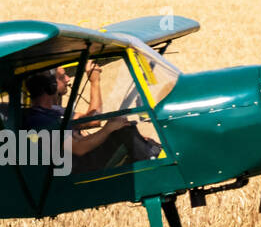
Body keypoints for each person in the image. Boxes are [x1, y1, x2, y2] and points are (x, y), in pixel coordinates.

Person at [23, 63, 161, 173]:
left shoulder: (55, 111)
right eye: (62, 77)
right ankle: (158, 167)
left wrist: (94, 81)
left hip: (88, 158)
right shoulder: (39, 121)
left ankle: (156, 155)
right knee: (125, 133)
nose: (68, 79)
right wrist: (108, 129)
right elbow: (78, 148)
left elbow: (93, 120)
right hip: (79, 169)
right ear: (50, 86)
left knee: (126, 128)